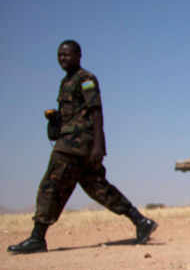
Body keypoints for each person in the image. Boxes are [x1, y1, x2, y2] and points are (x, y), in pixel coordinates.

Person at [7, 40, 158, 254]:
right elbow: (76, 113)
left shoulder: (86, 79)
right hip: (74, 142)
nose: (62, 58)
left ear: (78, 55)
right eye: (60, 55)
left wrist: (98, 144)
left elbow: (96, 111)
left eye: (67, 55)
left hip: (75, 145)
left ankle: (37, 237)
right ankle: (141, 222)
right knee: (98, 187)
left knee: (51, 185)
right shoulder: (65, 82)